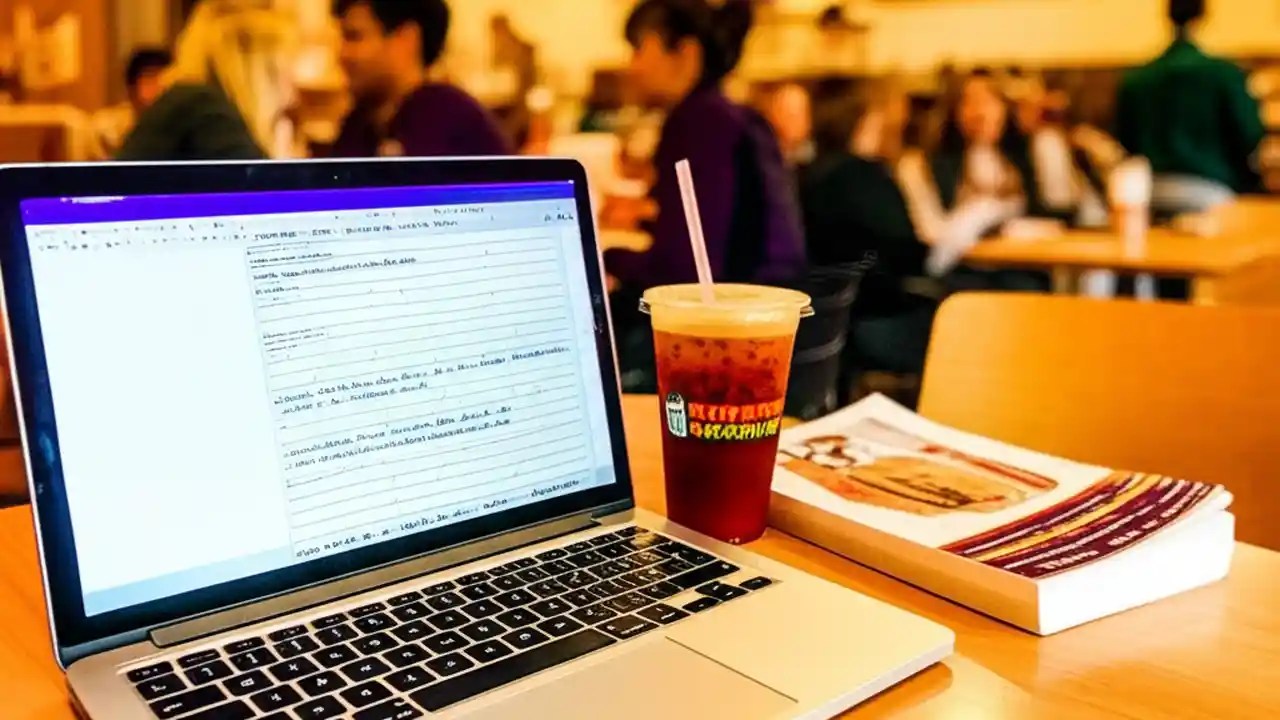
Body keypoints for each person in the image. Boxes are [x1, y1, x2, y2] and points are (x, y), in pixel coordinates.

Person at [605, 0, 806, 392]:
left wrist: (606, 256)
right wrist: (647, 219)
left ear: (686, 52)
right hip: (782, 331)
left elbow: (685, 272)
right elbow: (728, 221)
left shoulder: (699, 122)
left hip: (735, 351)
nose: (632, 66)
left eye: (640, 48)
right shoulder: (735, 115)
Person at [799, 82, 934, 374]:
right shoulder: (867, 179)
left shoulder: (808, 173)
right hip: (877, 322)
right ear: (868, 119)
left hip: (825, 322)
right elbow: (908, 253)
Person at [896, 70, 1055, 287]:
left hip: (1018, 265)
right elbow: (933, 238)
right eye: (970, 102)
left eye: (990, 102)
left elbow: (1045, 214)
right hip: (961, 271)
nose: (981, 113)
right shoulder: (933, 164)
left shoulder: (1019, 159)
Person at [1116, 0, 1264, 214]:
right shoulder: (1223, 75)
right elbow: (1249, 133)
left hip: (1151, 193)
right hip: (1211, 191)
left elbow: (1126, 140)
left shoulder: (1137, 79)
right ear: (1203, 15)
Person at [117, 0, 296, 161]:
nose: (291, 92)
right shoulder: (207, 112)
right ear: (256, 72)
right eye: (284, 70)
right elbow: (259, 193)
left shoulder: (188, 102)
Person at [328, 0, 510, 158]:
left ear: (406, 39)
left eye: (354, 37)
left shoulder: (447, 118)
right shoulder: (360, 122)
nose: (342, 54)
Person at [88, 48, 172, 160]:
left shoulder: (179, 128)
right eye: (151, 78)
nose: (161, 86)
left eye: (166, 79)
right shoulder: (109, 127)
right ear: (132, 87)